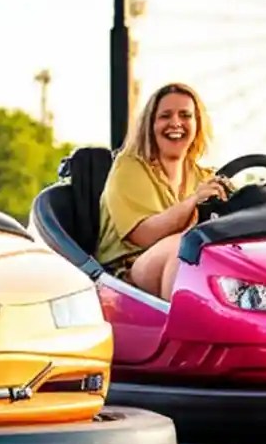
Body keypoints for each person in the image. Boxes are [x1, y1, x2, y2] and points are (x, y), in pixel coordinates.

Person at [95, 82, 229, 301]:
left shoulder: (205, 177)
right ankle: (178, 331)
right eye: (165, 116)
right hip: (125, 277)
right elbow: (143, 236)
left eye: (185, 115)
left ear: (197, 125)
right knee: (184, 245)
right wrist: (192, 202)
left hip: (190, 266)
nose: (176, 123)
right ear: (150, 125)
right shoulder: (129, 167)